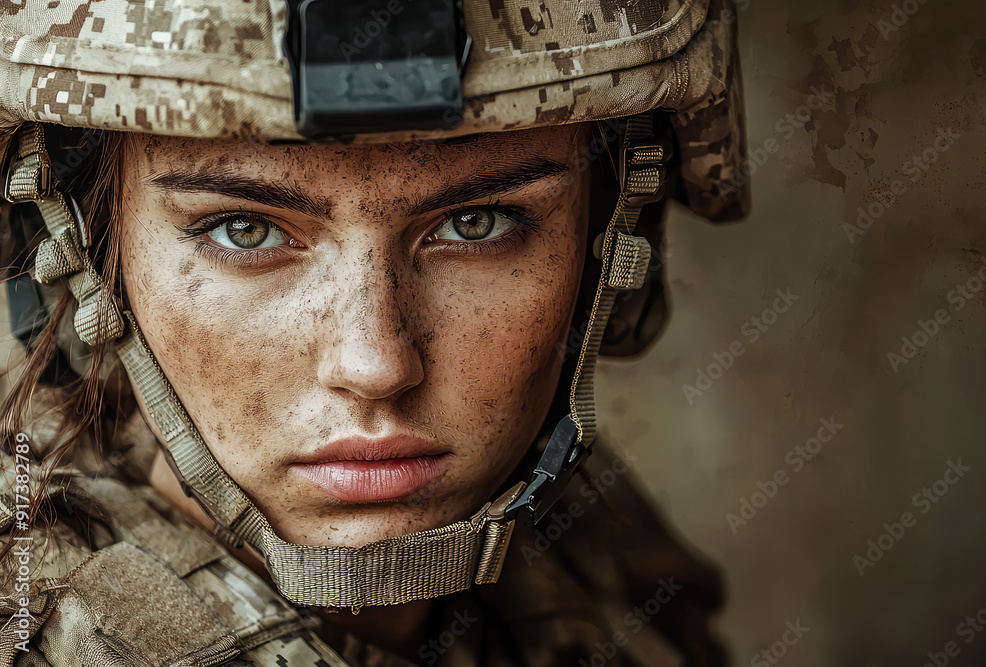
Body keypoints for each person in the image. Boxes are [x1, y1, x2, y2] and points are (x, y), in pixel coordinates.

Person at [0, 0, 748, 664]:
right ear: (86, 251)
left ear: (614, 233)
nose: (376, 365)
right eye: (246, 228)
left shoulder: (604, 572)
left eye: (476, 223)